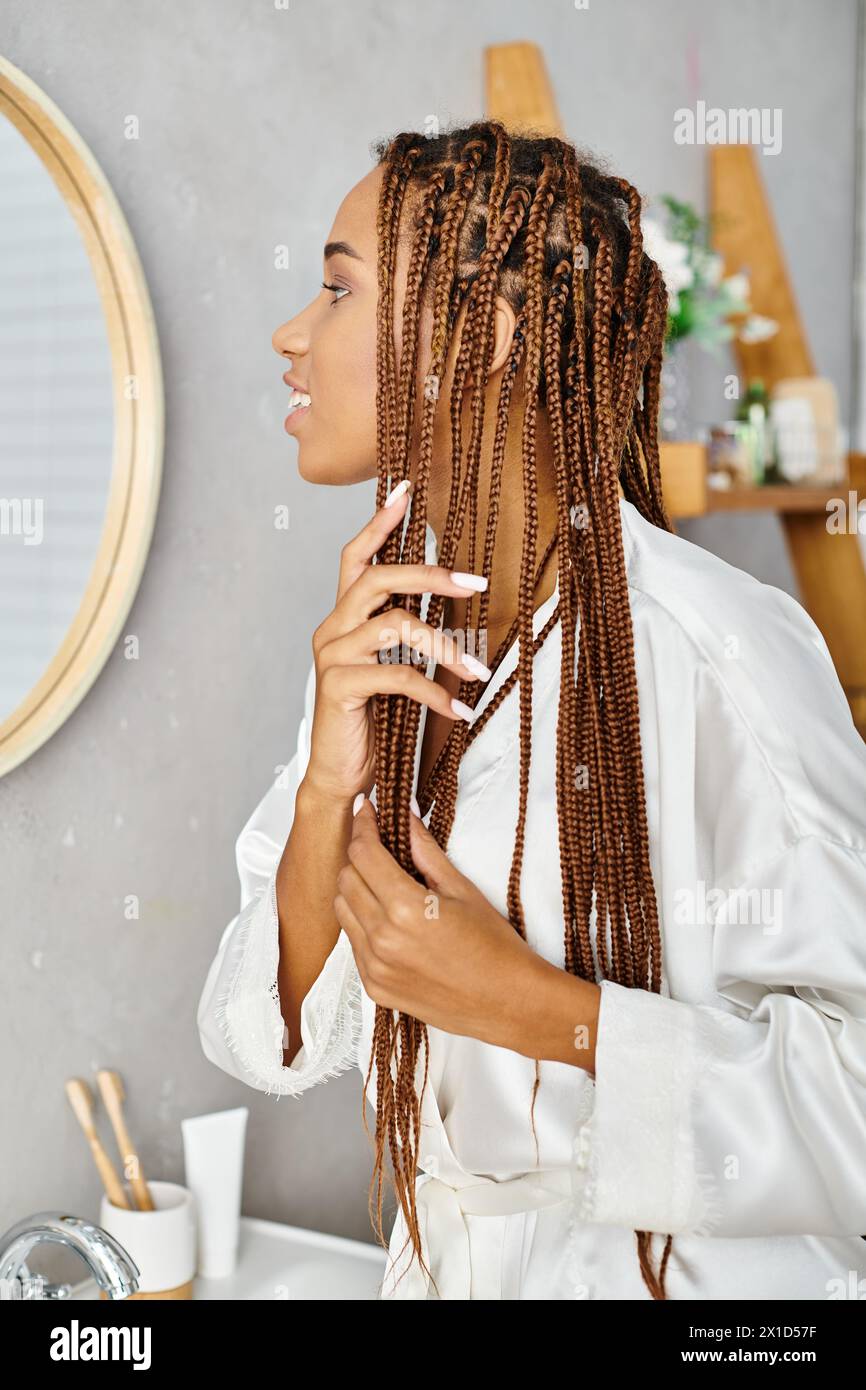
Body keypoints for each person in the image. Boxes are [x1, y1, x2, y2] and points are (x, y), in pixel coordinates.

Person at [197, 120, 866, 1300]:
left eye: (338, 288)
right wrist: (325, 785)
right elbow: (266, 1036)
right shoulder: (389, 645)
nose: (290, 335)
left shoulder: (720, 649)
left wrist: (537, 1010)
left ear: (485, 335)